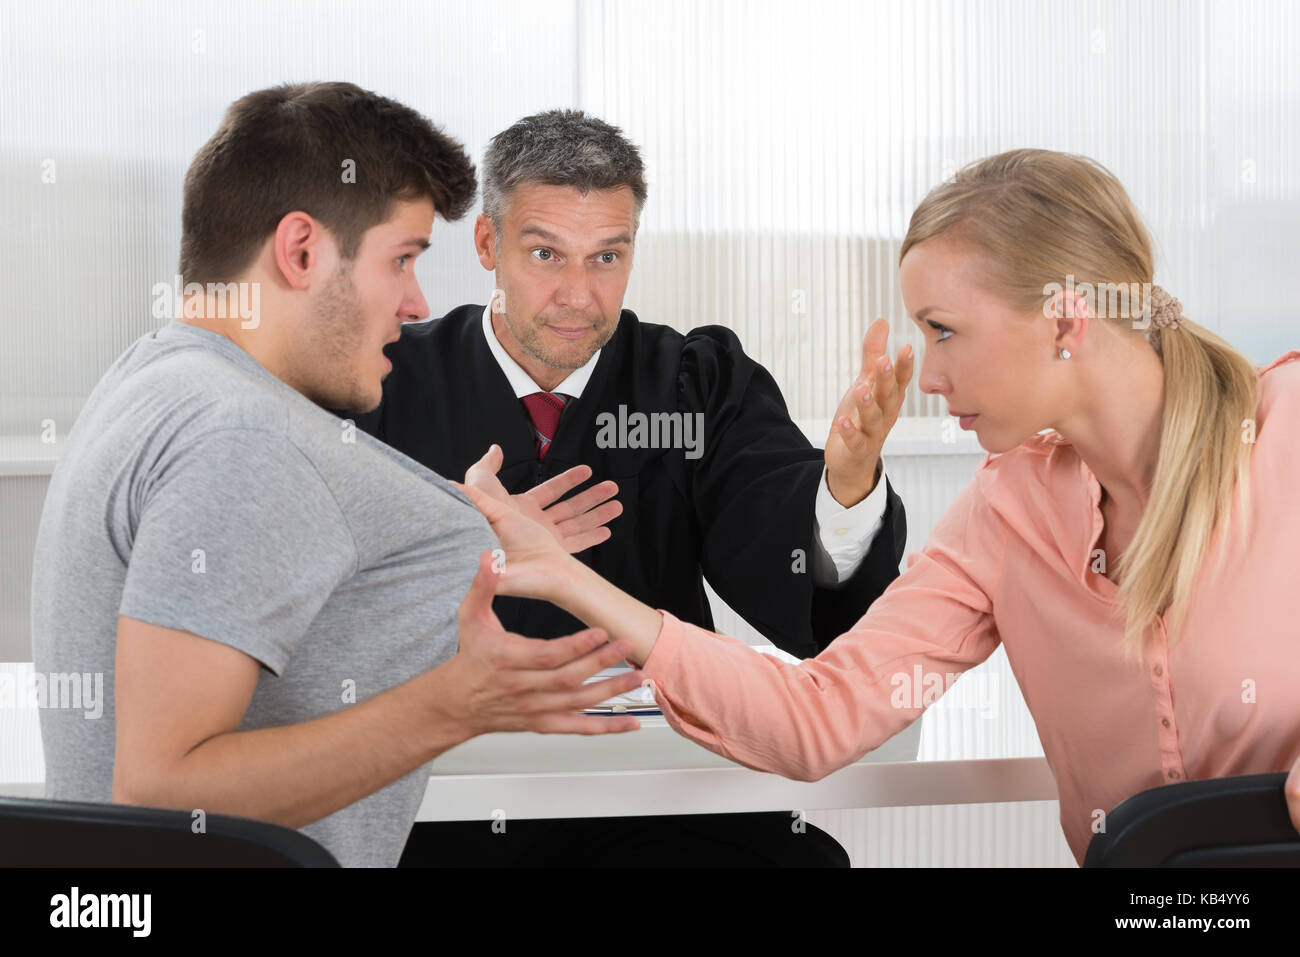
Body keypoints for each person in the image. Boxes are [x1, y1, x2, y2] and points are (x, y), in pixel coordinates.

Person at [459, 148, 1300, 864]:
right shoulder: (1007, 514)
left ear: (1065, 320)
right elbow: (818, 716)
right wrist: (569, 580)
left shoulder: (1288, 427)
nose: (927, 378)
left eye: (943, 329)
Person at [29, 82, 642, 869]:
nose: (419, 303)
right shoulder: (245, 436)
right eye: (402, 260)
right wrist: (455, 706)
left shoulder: (156, 378)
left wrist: (464, 536)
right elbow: (160, 794)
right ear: (303, 251)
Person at [354, 109, 915, 866]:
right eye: (546, 253)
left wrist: (843, 487)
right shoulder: (384, 381)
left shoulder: (692, 386)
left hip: (659, 792)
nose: (579, 295)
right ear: (488, 243)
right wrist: (457, 540)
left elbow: (787, 554)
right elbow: (307, 590)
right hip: (442, 798)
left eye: (607, 257)